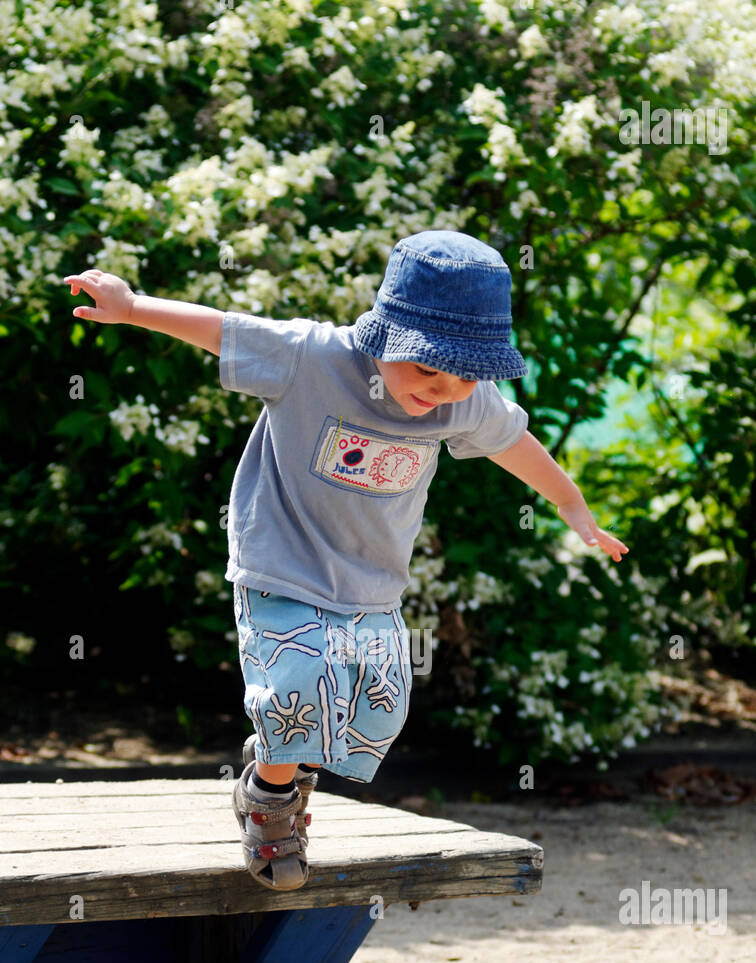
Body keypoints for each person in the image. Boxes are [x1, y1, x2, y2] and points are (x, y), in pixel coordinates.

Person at [64, 229, 628, 891]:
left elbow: (516, 443)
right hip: (282, 563)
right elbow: (224, 330)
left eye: (462, 377)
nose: (442, 391)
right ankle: (270, 804)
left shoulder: (460, 398)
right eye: (426, 370)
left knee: (382, 706)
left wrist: (573, 506)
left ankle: (280, 761)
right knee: (295, 689)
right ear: (387, 336)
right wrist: (132, 308)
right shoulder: (311, 359)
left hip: (371, 584)